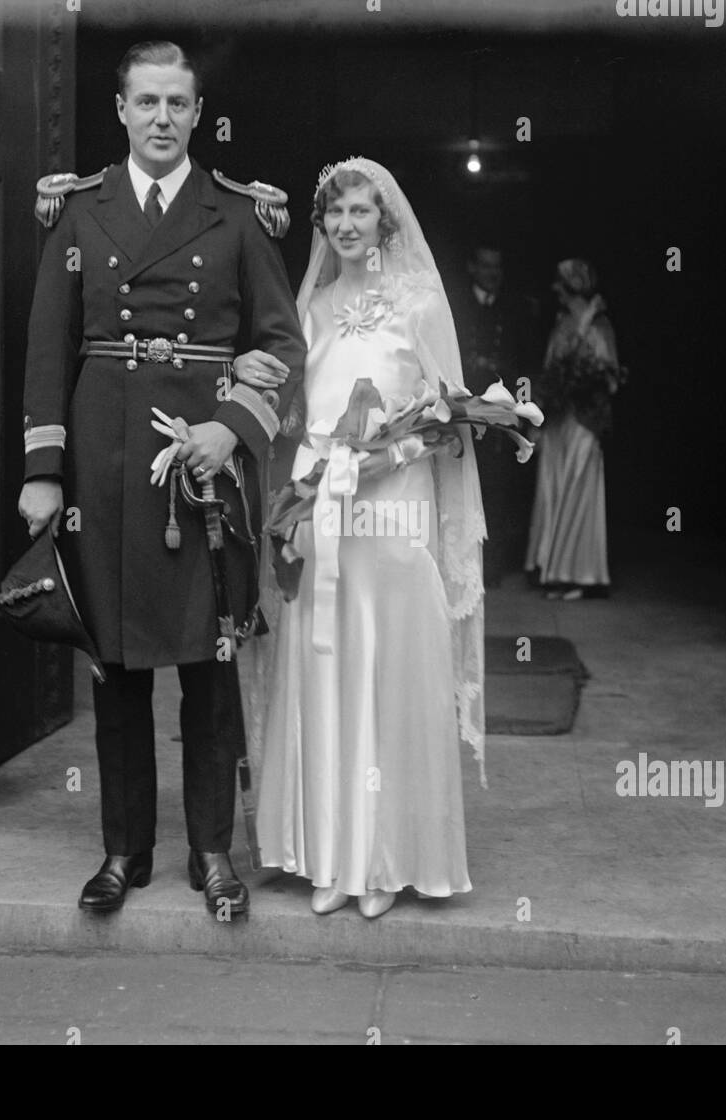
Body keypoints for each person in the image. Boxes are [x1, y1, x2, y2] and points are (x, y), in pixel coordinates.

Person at [17, 41, 306, 917]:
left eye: (177, 104)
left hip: (204, 479)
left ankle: (214, 851)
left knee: (209, 670)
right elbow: (45, 347)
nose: (162, 120)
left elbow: (283, 345)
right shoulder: (81, 211)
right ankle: (122, 850)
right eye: (146, 103)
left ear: (198, 110)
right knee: (118, 668)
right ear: (120, 110)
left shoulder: (238, 215)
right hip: (107, 468)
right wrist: (43, 470)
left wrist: (230, 428)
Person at [235, 158, 486, 919]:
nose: (347, 225)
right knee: (328, 664)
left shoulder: (418, 303)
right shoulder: (308, 309)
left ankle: (385, 859)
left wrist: (391, 454)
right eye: (335, 213)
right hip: (325, 508)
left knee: (389, 670)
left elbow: (453, 420)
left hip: (396, 511)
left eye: (361, 212)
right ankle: (329, 853)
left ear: (386, 222)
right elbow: (285, 411)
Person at [526, 258, 623, 599]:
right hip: (558, 417)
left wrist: (582, 379)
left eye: (560, 284)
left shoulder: (599, 325)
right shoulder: (561, 323)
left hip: (584, 418)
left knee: (578, 490)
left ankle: (578, 572)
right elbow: (551, 369)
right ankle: (551, 567)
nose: (555, 290)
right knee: (554, 487)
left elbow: (609, 378)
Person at [454, 245, 539, 586]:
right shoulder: (457, 307)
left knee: (498, 489)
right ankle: (462, 562)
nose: (493, 273)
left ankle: (491, 569)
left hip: (501, 413)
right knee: (461, 481)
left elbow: (524, 368)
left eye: (497, 267)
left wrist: (523, 410)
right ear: (472, 267)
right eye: (486, 266)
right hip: (465, 411)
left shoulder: (514, 310)